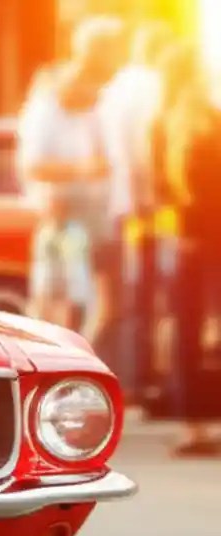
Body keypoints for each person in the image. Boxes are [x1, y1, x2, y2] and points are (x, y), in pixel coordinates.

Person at [17, 18, 124, 341]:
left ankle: (92, 358)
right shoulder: (45, 109)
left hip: (98, 217)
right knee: (63, 304)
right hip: (63, 216)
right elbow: (32, 166)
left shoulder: (93, 109)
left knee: (105, 302)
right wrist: (82, 170)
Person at [148, 44, 221, 455]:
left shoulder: (160, 124)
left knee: (185, 331)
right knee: (211, 327)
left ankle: (192, 427)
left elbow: (156, 188)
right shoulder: (212, 121)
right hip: (215, 236)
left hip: (179, 239)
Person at [99, 22, 173, 397]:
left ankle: (131, 376)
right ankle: (145, 377)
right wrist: (147, 197)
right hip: (146, 207)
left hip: (120, 204)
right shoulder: (151, 87)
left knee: (130, 294)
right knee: (152, 292)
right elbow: (143, 150)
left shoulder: (114, 88)